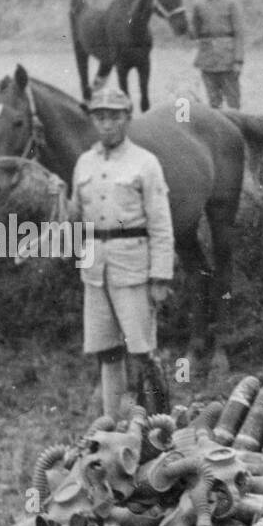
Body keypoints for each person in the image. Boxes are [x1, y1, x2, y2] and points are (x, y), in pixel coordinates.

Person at [66, 87, 175, 422]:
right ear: (92, 120)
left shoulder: (145, 163)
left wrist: (161, 276)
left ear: (127, 118)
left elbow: (160, 224)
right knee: (107, 350)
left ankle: (156, 423)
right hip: (96, 269)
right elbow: (75, 215)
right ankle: (112, 424)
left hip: (133, 268)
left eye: (114, 117)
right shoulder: (84, 162)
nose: (107, 125)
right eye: (100, 117)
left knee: (142, 350)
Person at [189, 0, 244, 109]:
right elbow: (194, 32)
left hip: (227, 57)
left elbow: (239, 33)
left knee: (233, 100)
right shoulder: (198, 4)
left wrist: (238, 60)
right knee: (213, 101)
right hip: (207, 56)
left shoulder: (231, 3)